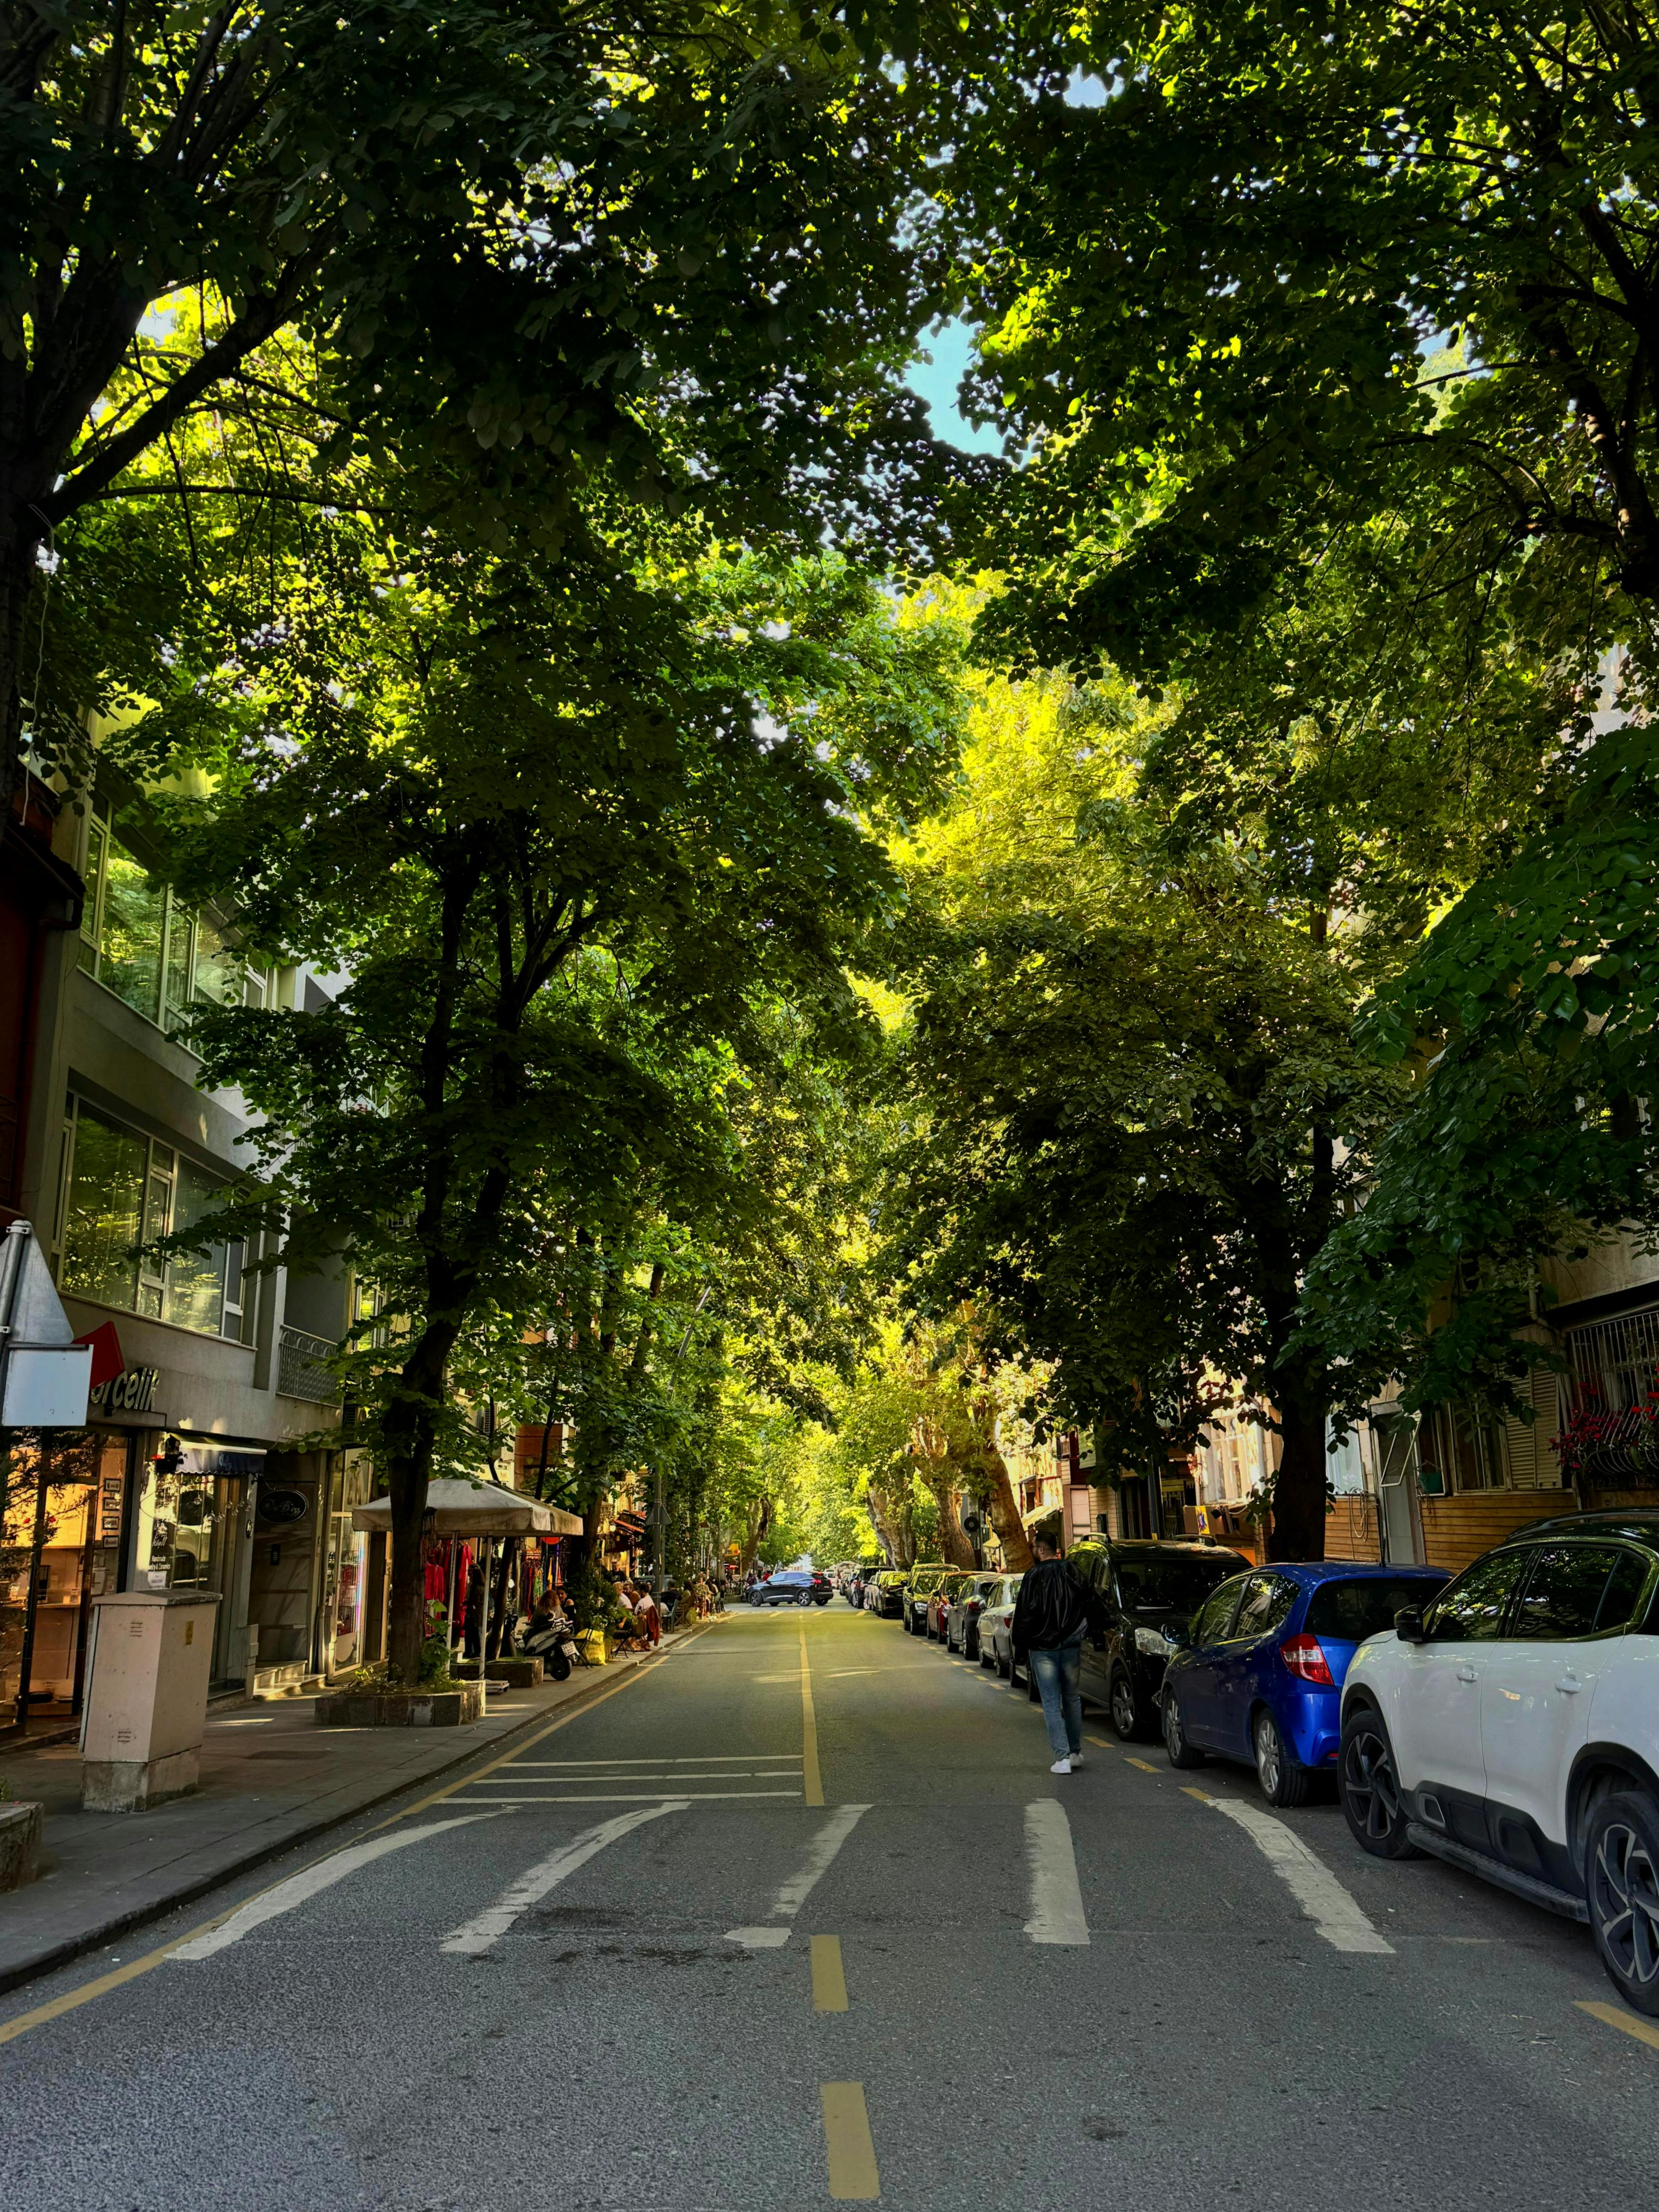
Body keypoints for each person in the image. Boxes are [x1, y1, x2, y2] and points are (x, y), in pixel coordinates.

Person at [1010, 1531, 1107, 1775]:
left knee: (1052, 1703)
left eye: (1034, 1547)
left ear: (1041, 1550)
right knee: (1072, 1698)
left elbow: (1024, 1616)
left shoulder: (1033, 1577)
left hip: (1043, 1649)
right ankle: (1075, 1753)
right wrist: (1096, 1636)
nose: (1032, 1551)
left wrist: (1020, 1650)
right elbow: (1090, 1602)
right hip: (1071, 1645)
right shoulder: (1072, 1571)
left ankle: (1062, 1758)